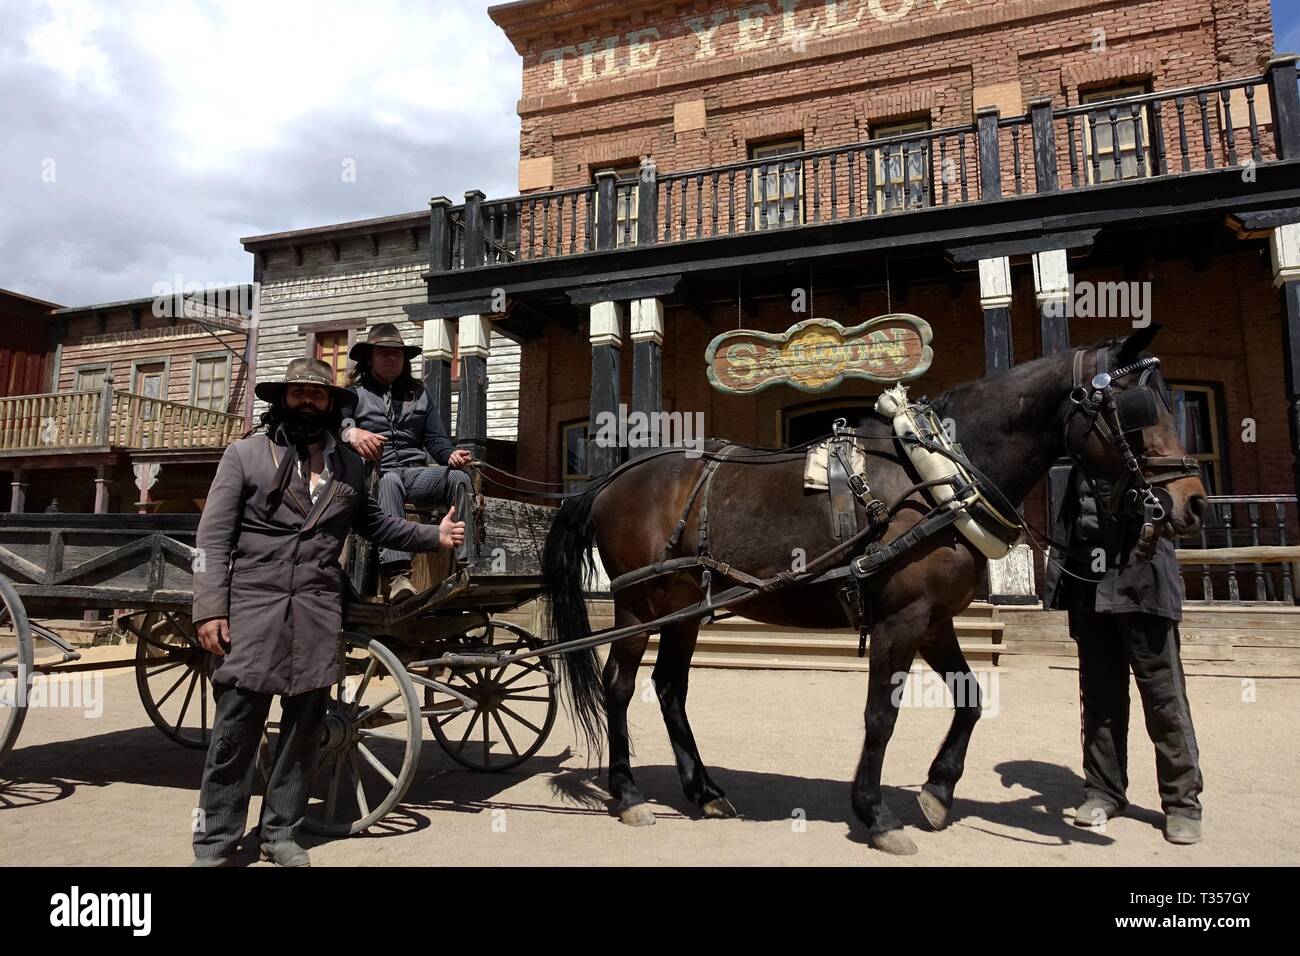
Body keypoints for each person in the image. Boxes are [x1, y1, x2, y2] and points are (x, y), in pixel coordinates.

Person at [189, 357, 464, 867]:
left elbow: (377, 526)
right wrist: (209, 609)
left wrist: (434, 536)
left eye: (317, 396)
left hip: (317, 613)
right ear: (283, 400)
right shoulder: (245, 455)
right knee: (234, 734)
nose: (308, 402)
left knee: (304, 732)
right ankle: (214, 844)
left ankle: (279, 835)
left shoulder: (349, 465)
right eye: (298, 394)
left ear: (332, 405)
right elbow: (211, 538)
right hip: (251, 611)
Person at [1045, 468, 1204, 845]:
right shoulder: (1082, 454)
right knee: (1100, 701)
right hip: (1092, 591)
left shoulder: (1152, 450)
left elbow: (1182, 513)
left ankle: (1182, 803)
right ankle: (1104, 791)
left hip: (1143, 586)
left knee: (1164, 701)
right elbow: (1071, 522)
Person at [339, 322, 474, 602]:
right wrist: (353, 432)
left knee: (460, 478)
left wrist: (449, 455)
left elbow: (435, 439)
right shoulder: (354, 393)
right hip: (374, 478)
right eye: (384, 352)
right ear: (369, 357)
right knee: (390, 481)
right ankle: (398, 575)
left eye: (397, 354)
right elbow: (339, 426)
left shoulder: (419, 394)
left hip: (416, 475)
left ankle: (466, 563)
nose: (392, 358)